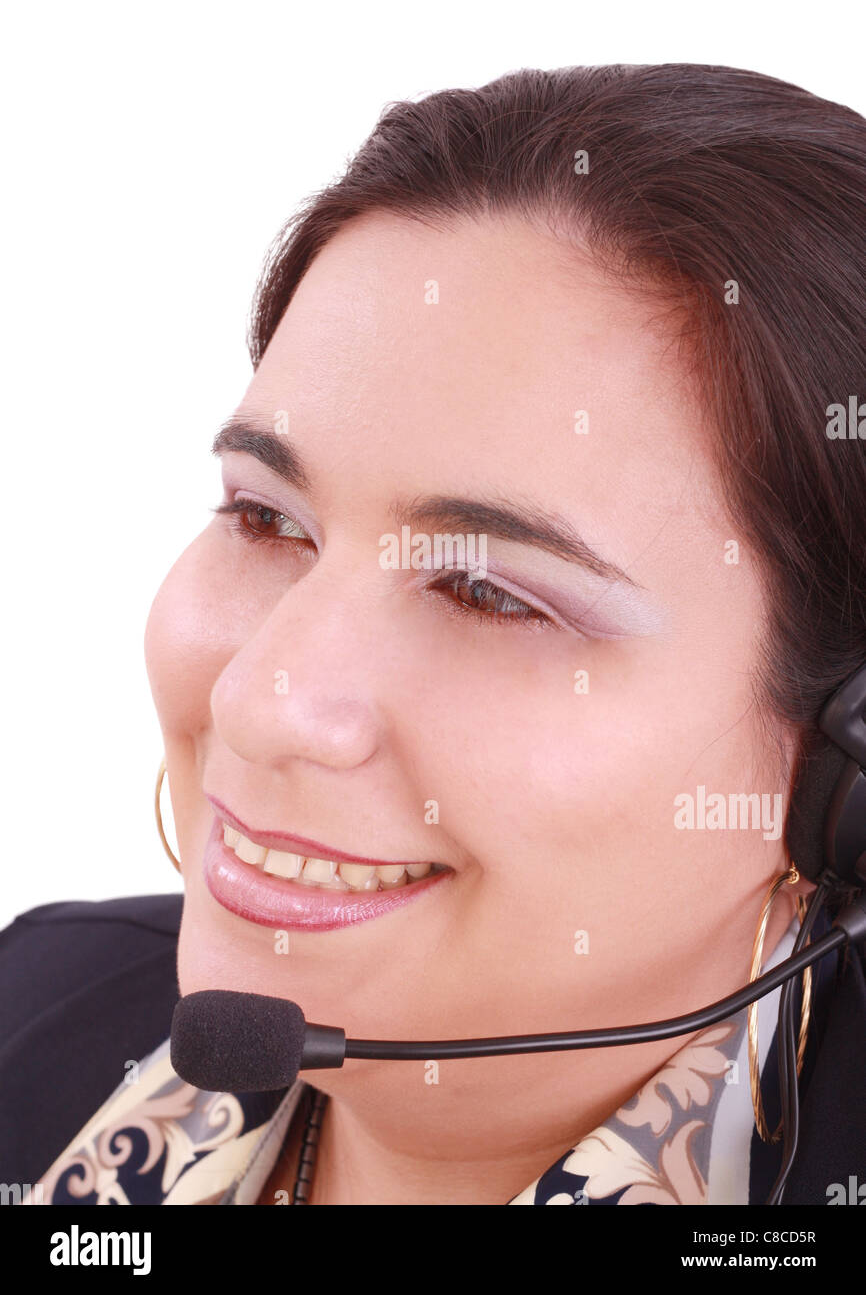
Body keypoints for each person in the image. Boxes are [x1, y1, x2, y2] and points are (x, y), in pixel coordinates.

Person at [2, 62, 865, 1206]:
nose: (261, 701)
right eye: (265, 518)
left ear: (840, 763)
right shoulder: (39, 1014)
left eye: (490, 594)